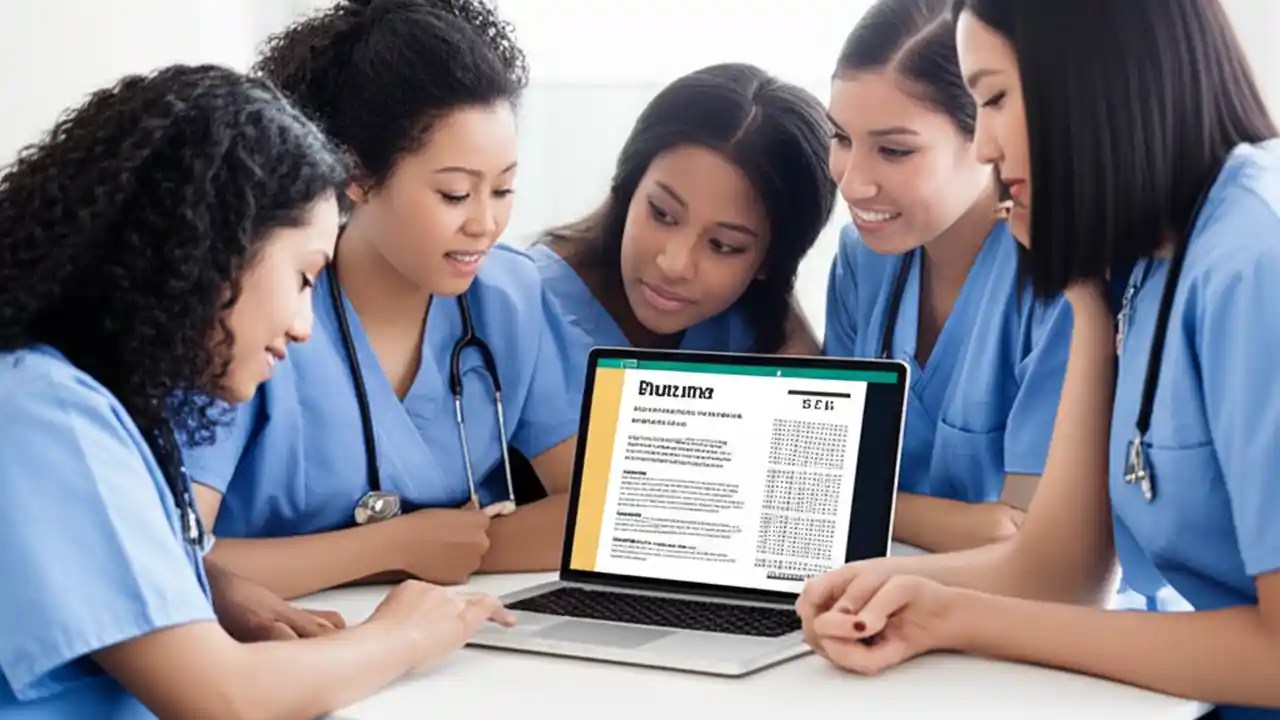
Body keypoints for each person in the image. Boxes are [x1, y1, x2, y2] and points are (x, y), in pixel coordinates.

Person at [798, 1, 1280, 716]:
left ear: (1092, 78)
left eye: (992, 98)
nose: (984, 147)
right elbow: (1061, 574)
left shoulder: (1255, 261)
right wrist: (919, 602)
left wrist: (959, 617)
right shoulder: (1138, 264)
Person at [0, 63, 512, 719]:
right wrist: (405, 635)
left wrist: (206, 587)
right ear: (212, 250)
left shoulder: (83, 397)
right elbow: (224, 697)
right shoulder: (46, 411)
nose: (303, 327)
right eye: (304, 278)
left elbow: (78, 560)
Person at [182, 0, 584, 600]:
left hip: (444, 640)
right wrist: (391, 550)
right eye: (454, 193)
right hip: (266, 647)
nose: (486, 223)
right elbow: (168, 557)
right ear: (357, 176)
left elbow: (603, 517)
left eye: (503, 188)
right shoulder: (252, 310)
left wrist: (453, 548)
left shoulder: (510, 297)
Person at [822, 0, 1071, 553]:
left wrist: (865, 507)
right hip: (881, 594)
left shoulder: (1061, 283)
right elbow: (828, 479)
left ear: (985, 137)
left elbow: (1030, 540)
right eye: (840, 138)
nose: (852, 182)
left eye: (893, 150)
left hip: (1024, 621)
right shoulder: (861, 261)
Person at [533, 62, 834, 357]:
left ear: (768, 262)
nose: (674, 265)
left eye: (723, 246)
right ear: (630, 187)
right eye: (661, 214)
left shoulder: (754, 330)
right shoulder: (520, 309)